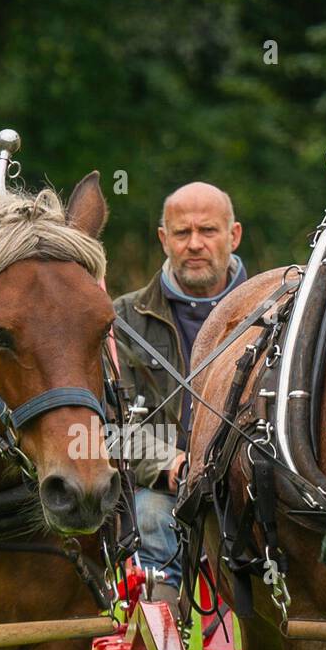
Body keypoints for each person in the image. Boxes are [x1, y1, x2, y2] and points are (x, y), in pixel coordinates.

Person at [113, 182, 247, 612]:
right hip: (163, 486)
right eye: (182, 232)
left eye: (208, 231)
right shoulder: (122, 320)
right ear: (163, 239)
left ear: (234, 235)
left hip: (251, 483)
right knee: (150, 518)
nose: (195, 244)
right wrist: (166, 463)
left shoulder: (273, 310)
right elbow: (103, 424)